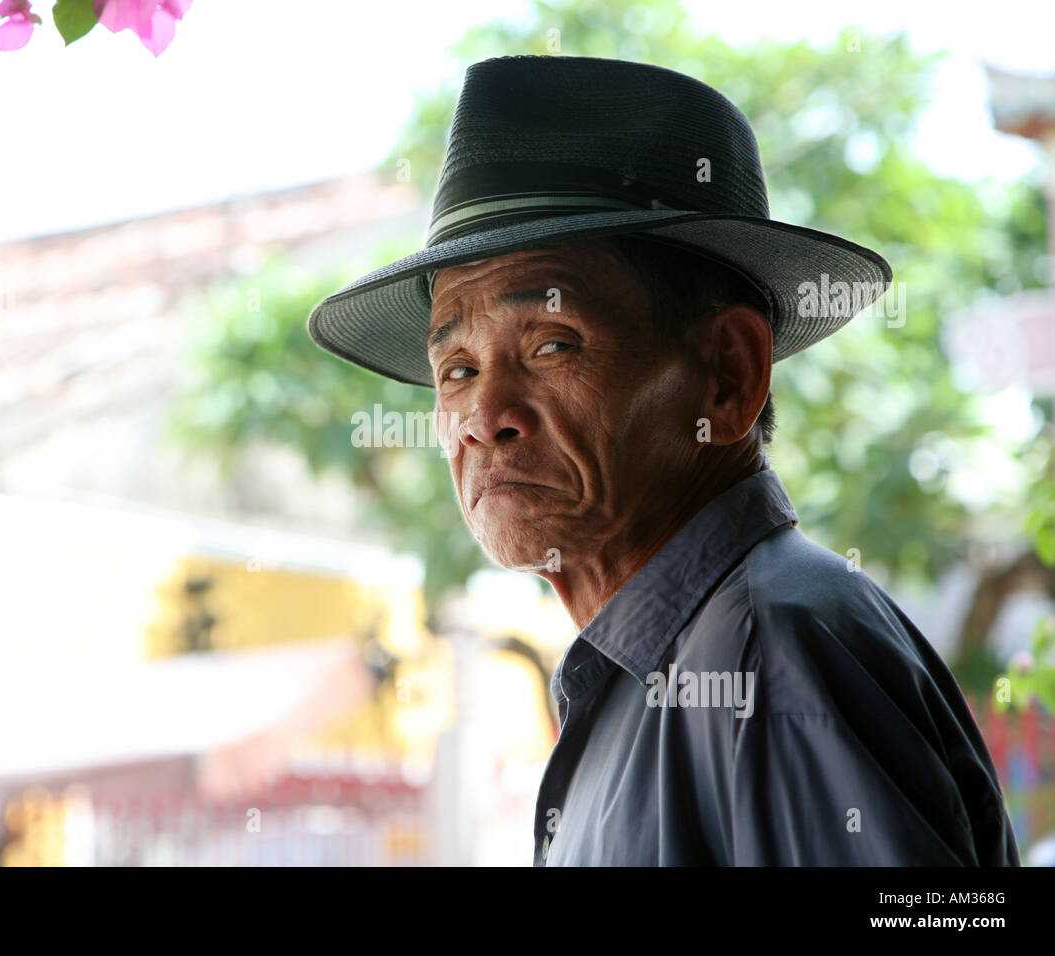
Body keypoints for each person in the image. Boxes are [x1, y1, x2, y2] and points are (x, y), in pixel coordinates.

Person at [307, 55, 1020, 865]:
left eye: (550, 343)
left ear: (728, 376)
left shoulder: (773, 657)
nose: (485, 418)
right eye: (458, 371)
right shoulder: (658, 673)